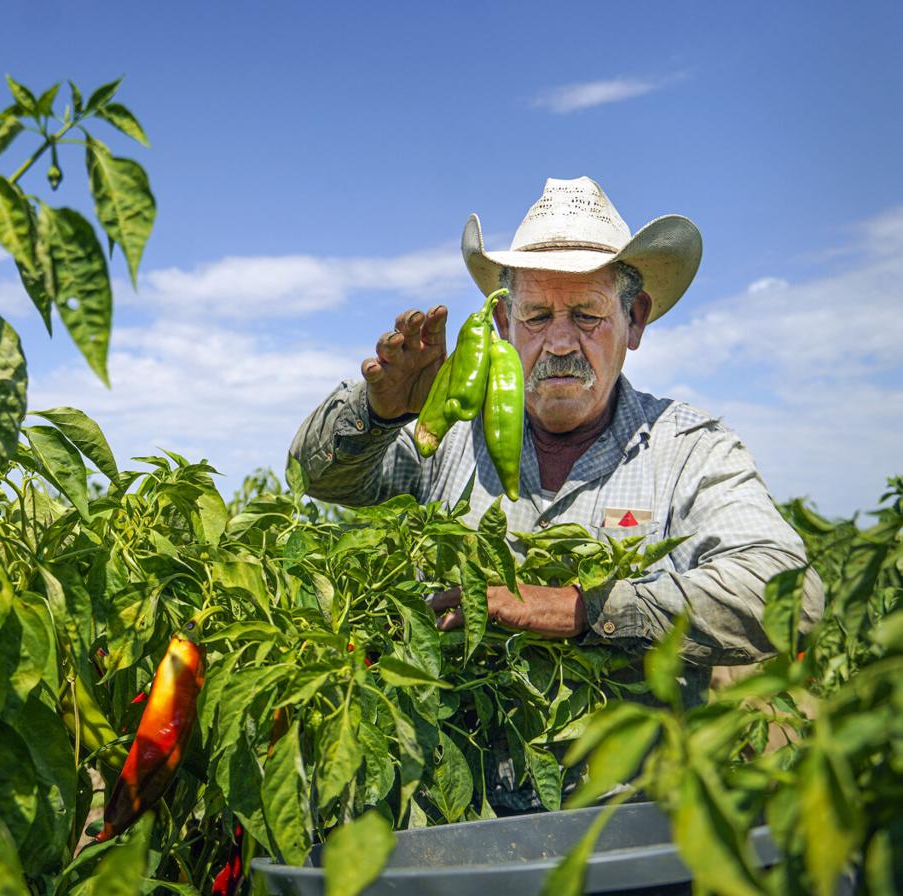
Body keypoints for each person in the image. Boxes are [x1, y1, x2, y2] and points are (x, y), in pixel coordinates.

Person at [289, 177, 823, 706]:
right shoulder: (449, 432)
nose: (561, 342)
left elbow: (787, 597)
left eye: (587, 315)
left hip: (628, 790)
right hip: (455, 789)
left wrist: (585, 609)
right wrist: (379, 413)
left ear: (633, 321)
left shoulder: (688, 450)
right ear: (502, 322)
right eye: (537, 315)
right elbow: (318, 477)